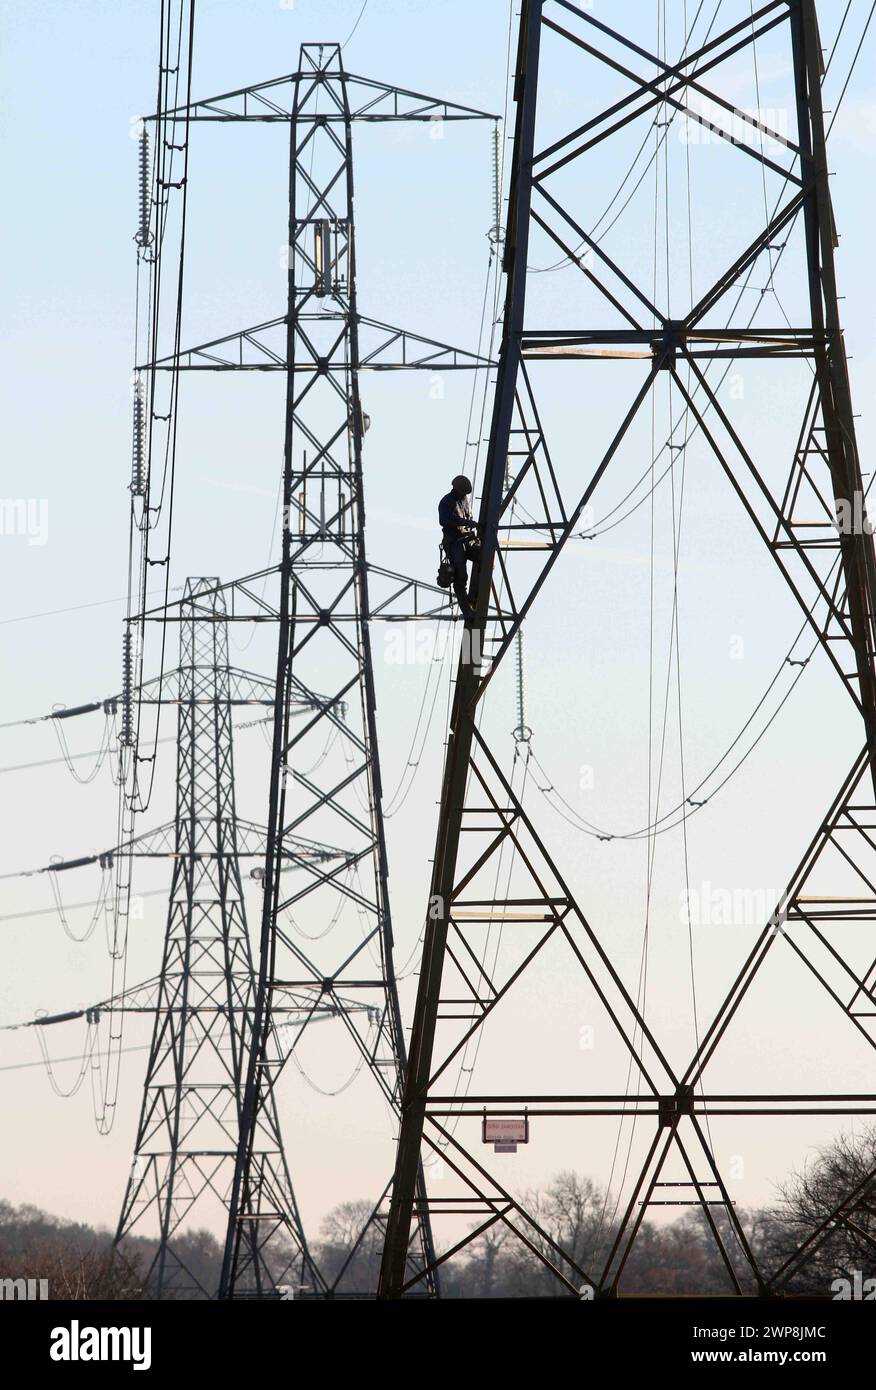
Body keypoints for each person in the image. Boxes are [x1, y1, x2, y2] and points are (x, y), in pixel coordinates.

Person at [439, 474, 479, 620]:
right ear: (455, 489)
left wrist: (470, 525)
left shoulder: (464, 500)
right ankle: (467, 611)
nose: (463, 495)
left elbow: (469, 516)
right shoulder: (446, 502)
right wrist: (464, 523)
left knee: (484, 557)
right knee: (460, 577)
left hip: (467, 539)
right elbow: (444, 520)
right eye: (462, 492)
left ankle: (473, 595)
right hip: (454, 541)